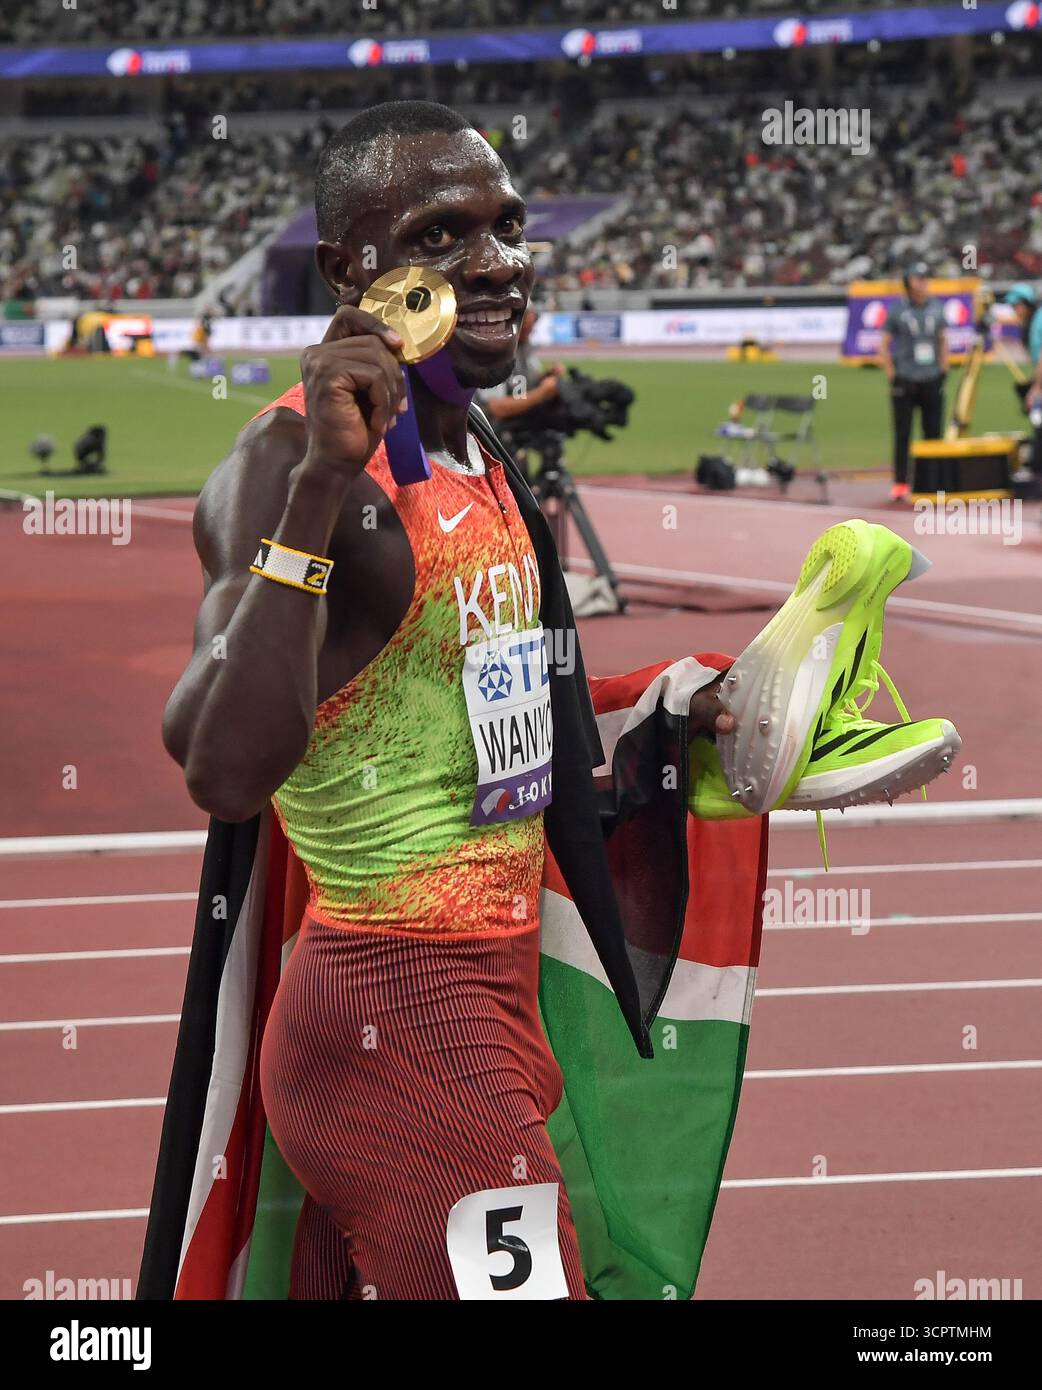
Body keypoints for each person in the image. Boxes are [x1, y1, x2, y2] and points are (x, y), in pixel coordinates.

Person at [146, 102, 958, 1303]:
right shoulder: (284, 466)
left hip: (492, 996)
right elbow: (221, 766)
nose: (495, 262)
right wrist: (319, 488)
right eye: (442, 233)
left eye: (506, 225)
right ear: (344, 271)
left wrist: (669, 729)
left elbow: (484, 727)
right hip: (395, 1022)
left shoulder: (469, 437)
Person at [880, 261, 949, 500]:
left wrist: (944, 368)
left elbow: (942, 339)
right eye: (918, 278)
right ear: (908, 282)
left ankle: (933, 481)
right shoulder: (898, 310)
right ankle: (900, 482)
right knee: (902, 433)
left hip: (931, 377)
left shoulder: (937, 308)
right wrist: (891, 373)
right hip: (905, 379)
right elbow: (884, 343)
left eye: (924, 278)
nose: (923, 283)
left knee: (933, 432)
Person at [1004, 282, 1042, 476]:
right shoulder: (1032, 323)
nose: (1015, 310)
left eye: (1017, 305)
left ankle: (1037, 471)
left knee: (1039, 422)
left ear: (1027, 304)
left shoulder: (1038, 321)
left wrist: (1036, 389)